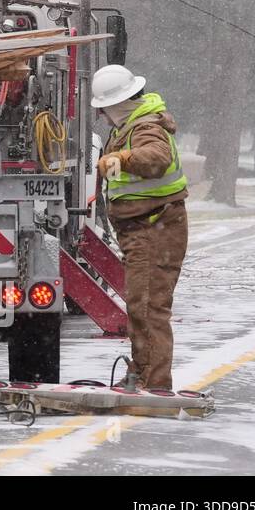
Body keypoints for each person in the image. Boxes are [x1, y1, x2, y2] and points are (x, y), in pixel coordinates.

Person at [91, 64, 189, 390]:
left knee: (148, 307)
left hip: (154, 228)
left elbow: (156, 158)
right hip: (145, 229)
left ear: (116, 104)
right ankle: (142, 376)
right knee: (141, 306)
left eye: (104, 109)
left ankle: (154, 383)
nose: (103, 117)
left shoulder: (145, 129)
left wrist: (117, 160)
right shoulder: (131, 127)